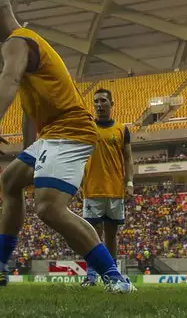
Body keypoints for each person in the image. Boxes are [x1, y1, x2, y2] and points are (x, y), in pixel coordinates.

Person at [0, 0, 133, 293]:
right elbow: (30, 109)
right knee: (11, 180)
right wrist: (31, 149)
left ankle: (116, 278)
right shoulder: (27, 42)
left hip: (71, 128)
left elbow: (10, 78)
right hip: (53, 133)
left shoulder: (17, 41)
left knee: (49, 209)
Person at [79, 88, 133, 287]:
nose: (99, 105)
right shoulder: (87, 128)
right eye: (96, 102)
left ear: (112, 104)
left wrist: (130, 183)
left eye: (103, 101)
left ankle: (111, 275)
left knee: (111, 236)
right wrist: (78, 183)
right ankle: (91, 276)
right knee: (91, 235)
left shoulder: (122, 129)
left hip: (115, 190)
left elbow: (128, 158)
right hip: (92, 189)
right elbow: (79, 156)